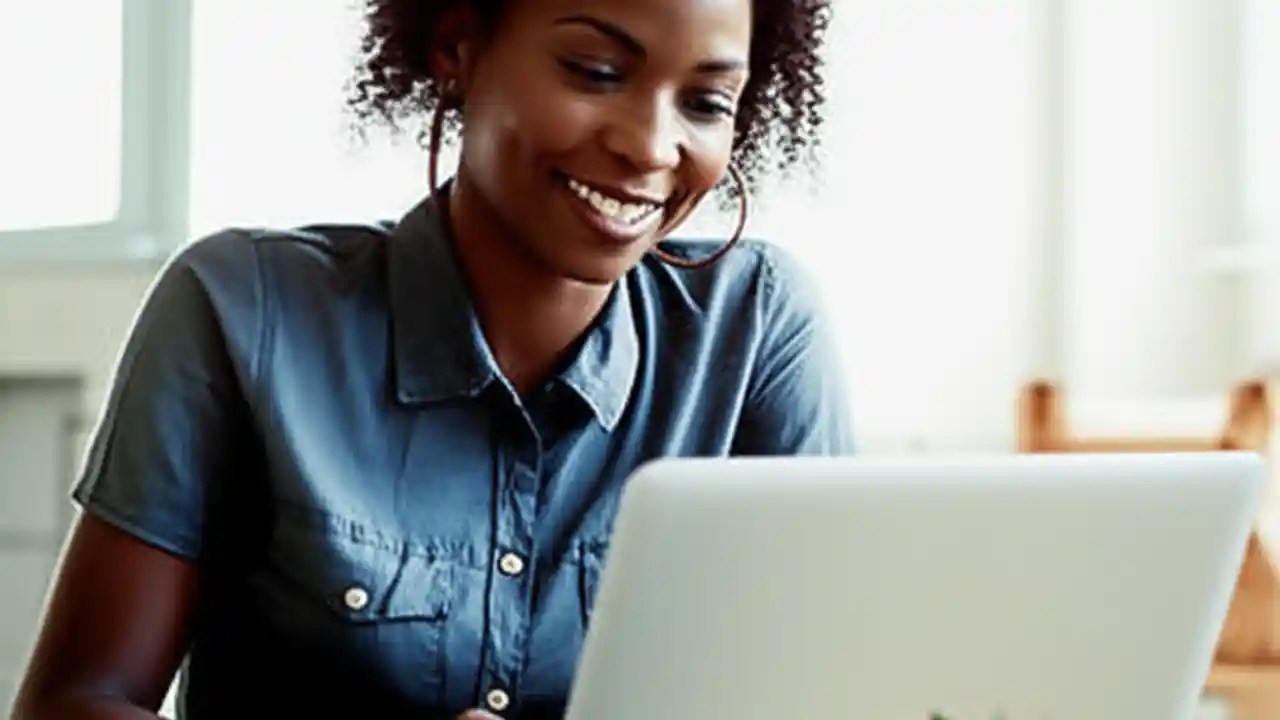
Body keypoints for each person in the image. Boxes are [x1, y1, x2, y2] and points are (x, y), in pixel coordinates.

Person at [11, 0, 850, 717]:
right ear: (457, 49)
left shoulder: (758, 331)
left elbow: (831, 692)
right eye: (595, 71)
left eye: (705, 101)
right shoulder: (243, 309)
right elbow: (74, 703)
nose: (650, 145)